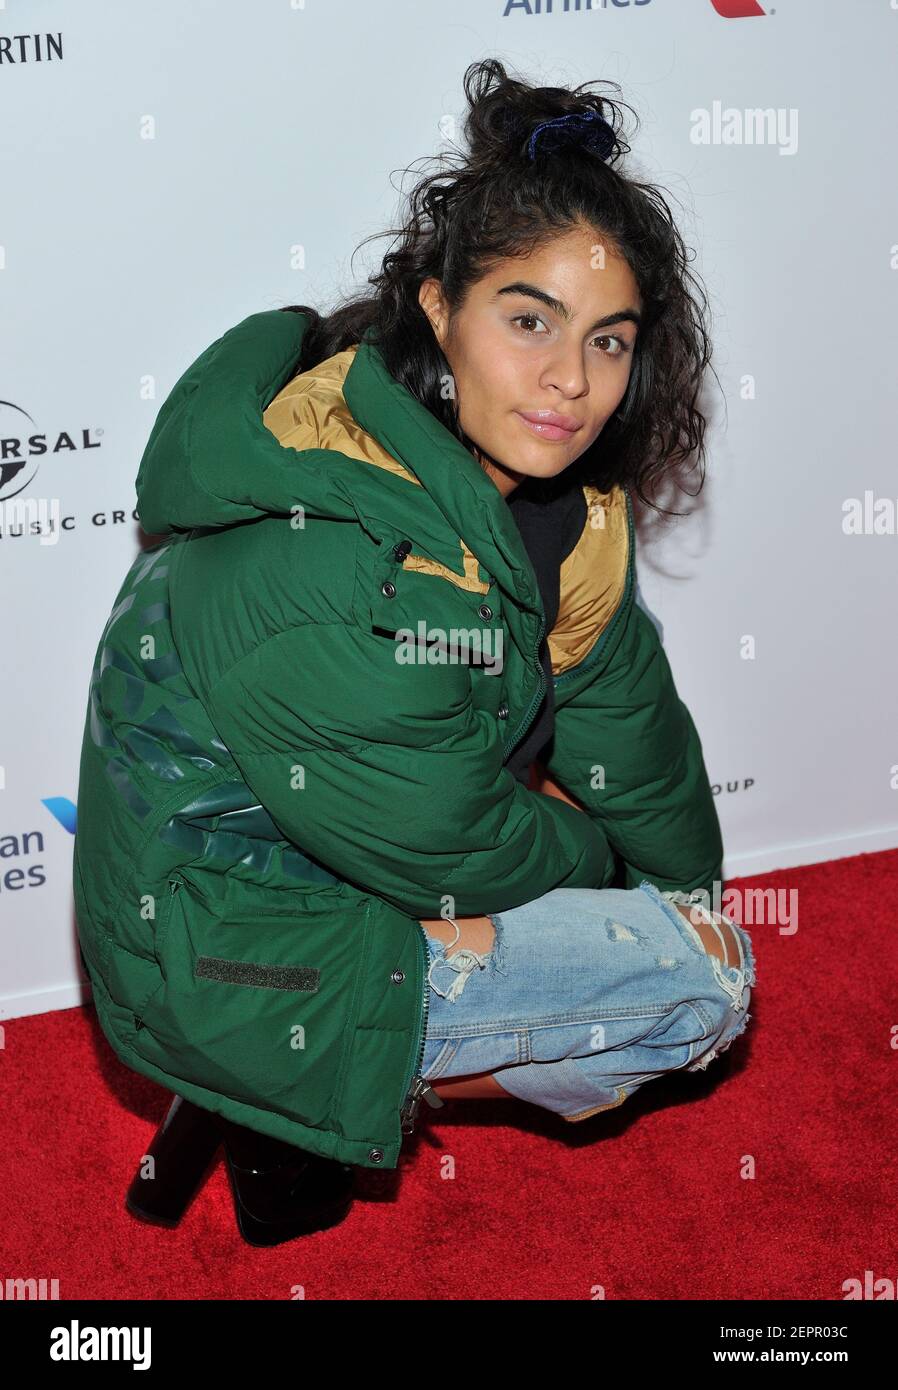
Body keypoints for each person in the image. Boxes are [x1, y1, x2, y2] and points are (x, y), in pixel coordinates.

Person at [73, 58, 755, 1237]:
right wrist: (611, 878)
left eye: (608, 341)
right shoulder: (340, 551)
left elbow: (620, 708)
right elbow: (455, 834)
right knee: (704, 987)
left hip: (345, 839)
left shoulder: (551, 493)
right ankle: (334, 1080)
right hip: (222, 938)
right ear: (439, 308)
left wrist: (687, 876)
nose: (568, 382)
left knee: (685, 921)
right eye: (527, 322)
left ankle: (353, 1063)